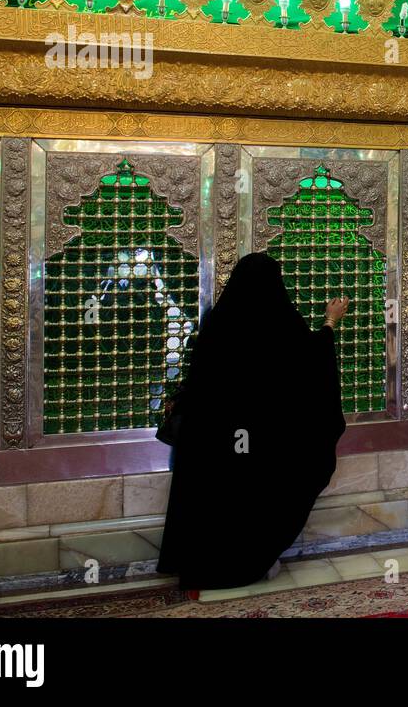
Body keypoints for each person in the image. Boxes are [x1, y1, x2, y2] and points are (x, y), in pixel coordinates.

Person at [156, 252, 348, 590]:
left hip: (214, 438)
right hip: (260, 441)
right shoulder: (281, 323)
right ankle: (249, 560)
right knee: (257, 494)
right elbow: (310, 366)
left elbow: (200, 378)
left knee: (215, 498)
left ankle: (203, 564)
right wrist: (330, 322)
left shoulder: (219, 322)